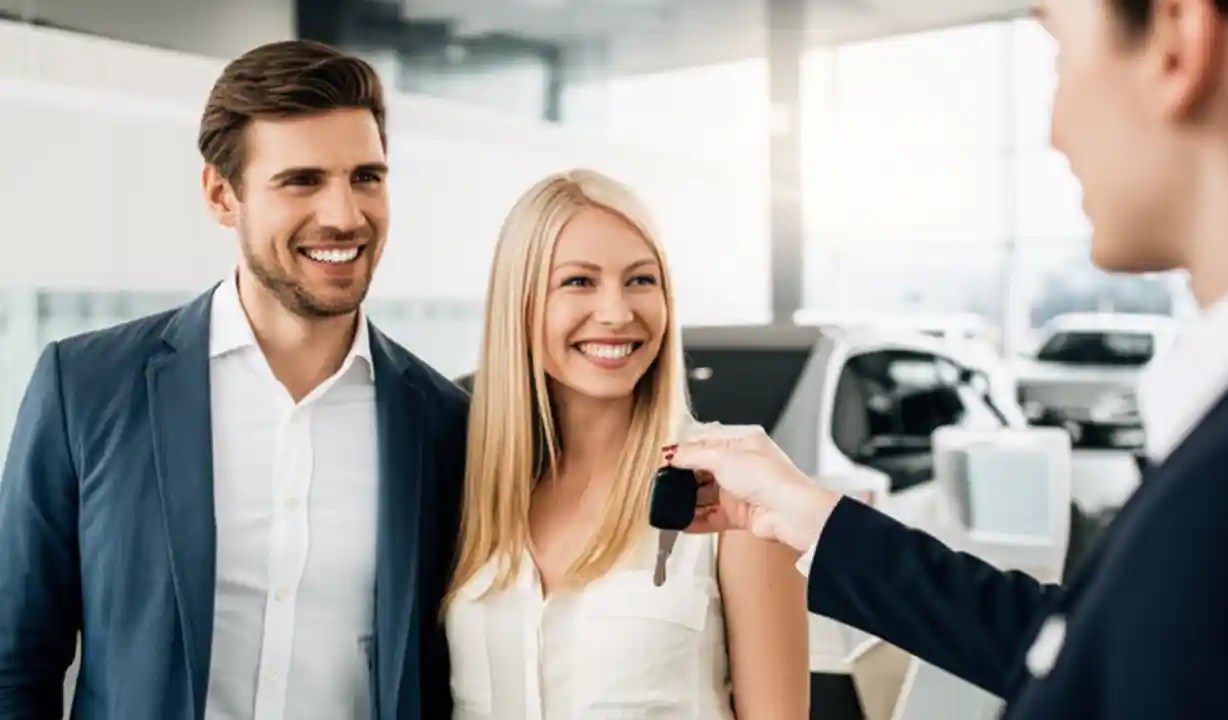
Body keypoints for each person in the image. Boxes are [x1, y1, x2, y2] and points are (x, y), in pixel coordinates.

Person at [671, 0, 1228, 718]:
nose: (1054, 132)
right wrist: (811, 515)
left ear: (1178, 42)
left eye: (1059, 54)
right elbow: (1080, 645)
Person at [0, 40, 468, 719]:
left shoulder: (443, 423)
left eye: (366, 176)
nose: (344, 214)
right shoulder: (86, 390)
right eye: (302, 180)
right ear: (222, 195)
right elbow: (14, 660)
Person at [442, 169, 809, 719]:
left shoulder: (730, 491)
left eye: (640, 280)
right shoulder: (464, 485)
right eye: (579, 282)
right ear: (518, 304)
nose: (617, 313)